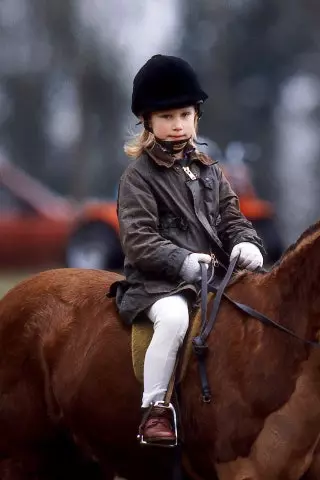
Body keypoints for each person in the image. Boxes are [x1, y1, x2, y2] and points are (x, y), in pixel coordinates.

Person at [115, 54, 265, 445]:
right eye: (166, 117)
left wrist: (246, 242)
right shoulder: (138, 177)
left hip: (210, 277)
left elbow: (232, 218)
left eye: (184, 114)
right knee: (176, 319)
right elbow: (139, 240)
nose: (177, 125)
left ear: (196, 115)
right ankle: (155, 410)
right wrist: (181, 261)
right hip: (157, 283)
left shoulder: (210, 170)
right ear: (148, 122)